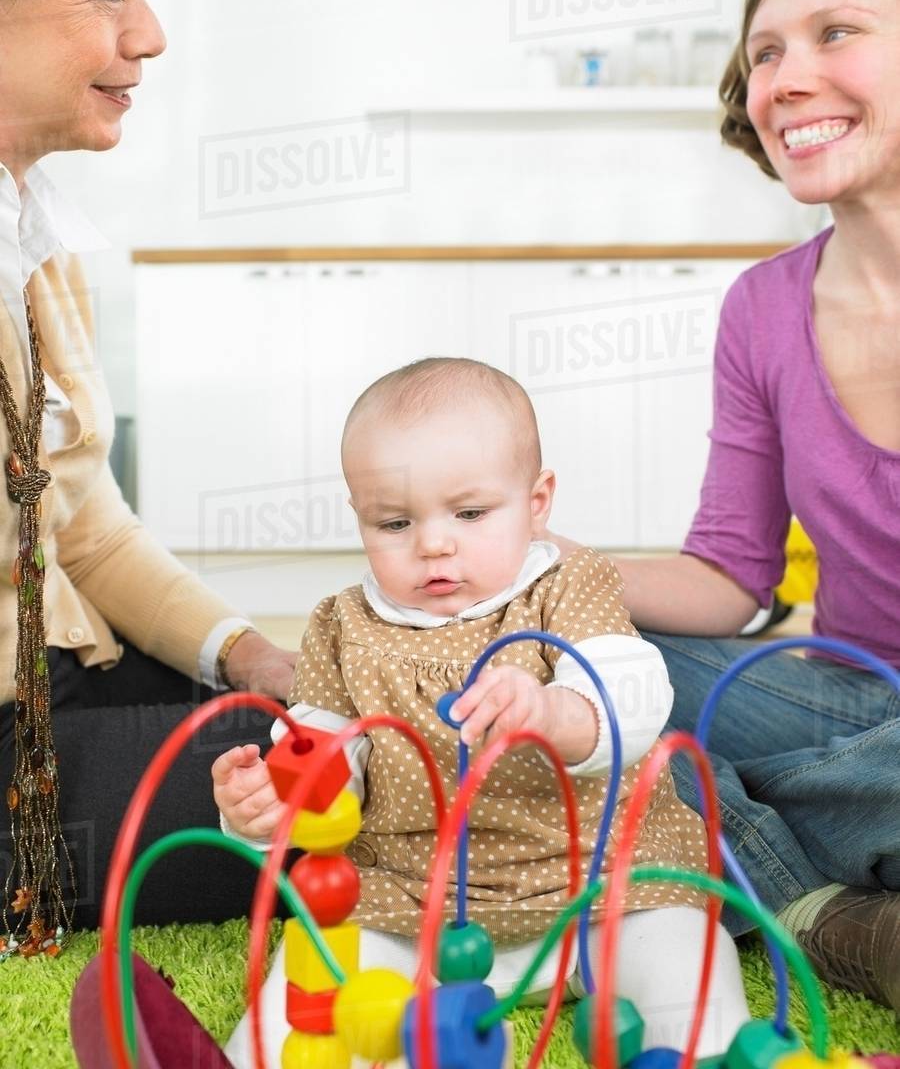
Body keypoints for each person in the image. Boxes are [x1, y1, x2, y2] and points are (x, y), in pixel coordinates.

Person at [551, 0, 900, 1014]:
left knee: (638, 758)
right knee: (568, 661)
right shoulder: (763, 309)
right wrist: (547, 566)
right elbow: (731, 577)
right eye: (764, 53)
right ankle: (829, 902)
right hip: (845, 708)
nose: (786, 77)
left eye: (835, 33)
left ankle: (770, 867)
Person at [215, 358, 750, 1064]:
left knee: (693, 980)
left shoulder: (568, 583)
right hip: (412, 907)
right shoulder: (341, 624)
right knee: (302, 1014)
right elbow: (320, 751)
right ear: (360, 517)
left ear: (537, 501)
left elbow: (632, 694)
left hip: (606, 889)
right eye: (395, 522)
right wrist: (274, 800)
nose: (435, 544)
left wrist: (556, 713)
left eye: (470, 514)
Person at [0, 0, 295, 945]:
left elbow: (89, 526)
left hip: (59, 679)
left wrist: (250, 653)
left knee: (335, 729)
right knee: (343, 801)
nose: (152, 32)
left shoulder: (35, 240)